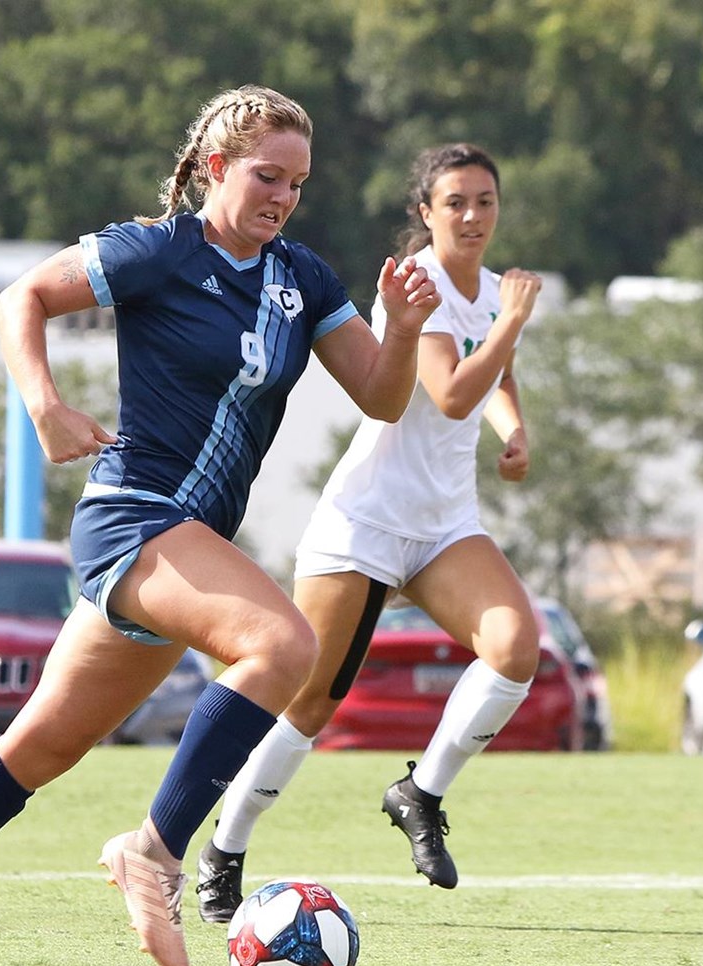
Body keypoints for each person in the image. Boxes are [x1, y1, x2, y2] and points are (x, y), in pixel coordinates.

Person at [0, 85, 440, 966]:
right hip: (135, 516)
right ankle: (155, 851)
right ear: (214, 167)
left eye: (299, 184)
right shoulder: (158, 250)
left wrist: (408, 330)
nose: (283, 198)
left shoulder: (302, 278)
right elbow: (21, 299)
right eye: (267, 176)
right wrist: (43, 405)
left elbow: (383, 397)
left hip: (185, 544)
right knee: (283, 645)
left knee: (36, 747)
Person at [195, 143, 545, 920]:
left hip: (445, 524)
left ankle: (419, 792)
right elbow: (452, 391)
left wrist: (514, 427)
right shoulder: (414, 286)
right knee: (310, 703)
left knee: (518, 646)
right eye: (455, 201)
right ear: (425, 212)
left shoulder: (490, 290)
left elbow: (495, 377)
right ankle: (225, 846)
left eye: (485, 200)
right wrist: (513, 325)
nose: (473, 216)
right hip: (367, 522)